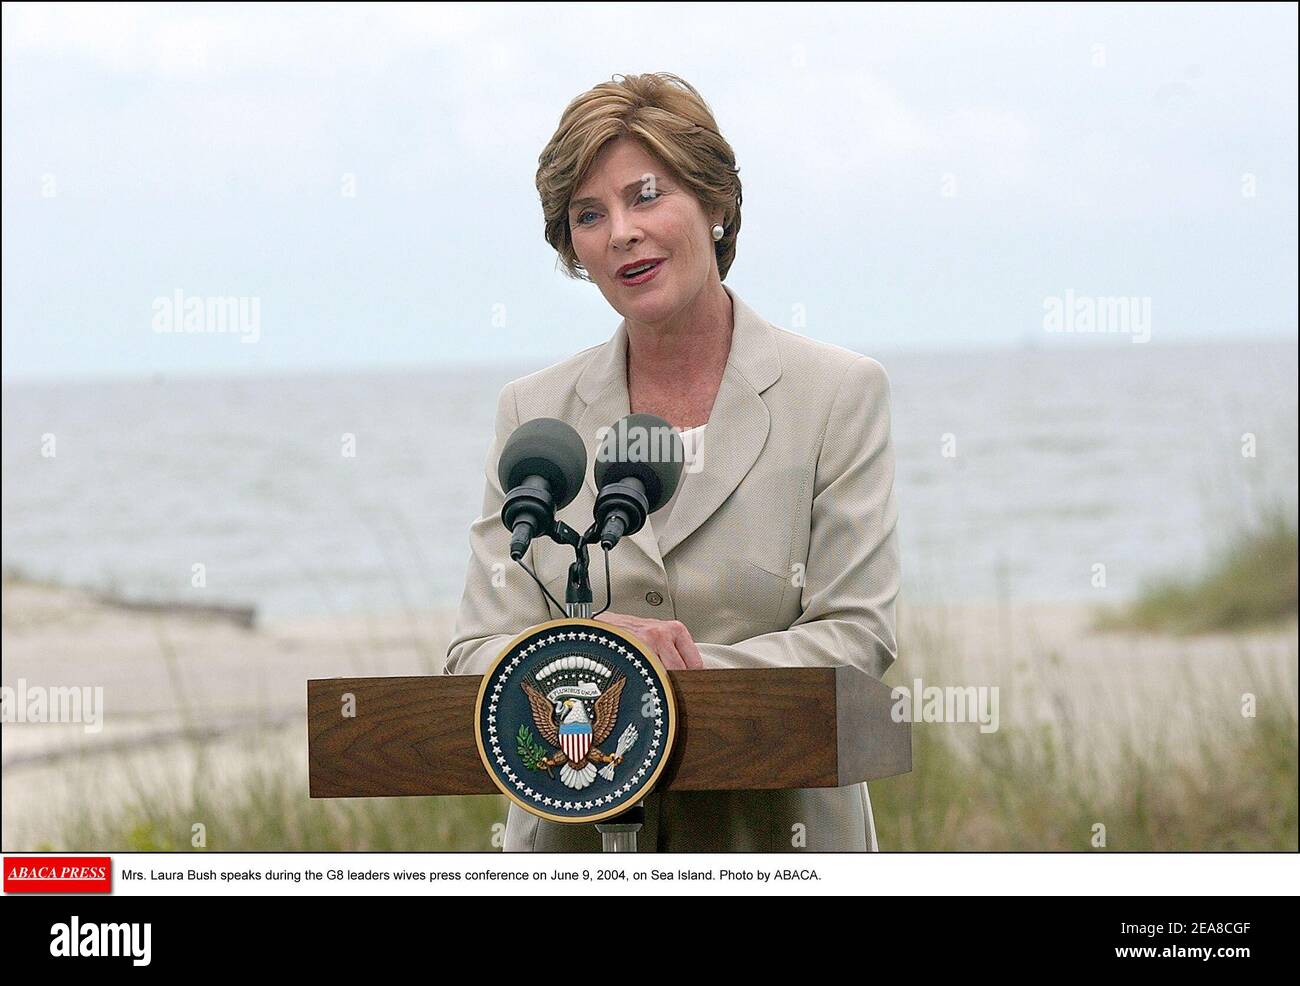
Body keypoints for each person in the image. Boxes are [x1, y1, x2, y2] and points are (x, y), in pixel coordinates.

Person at [444, 72, 900, 851]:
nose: (620, 231)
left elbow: (858, 636)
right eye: (590, 215)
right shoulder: (534, 413)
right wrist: (588, 660)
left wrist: (670, 677)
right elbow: (473, 653)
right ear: (574, 249)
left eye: (646, 195)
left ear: (717, 204)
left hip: (776, 841)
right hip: (572, 848)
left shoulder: (837, 394)